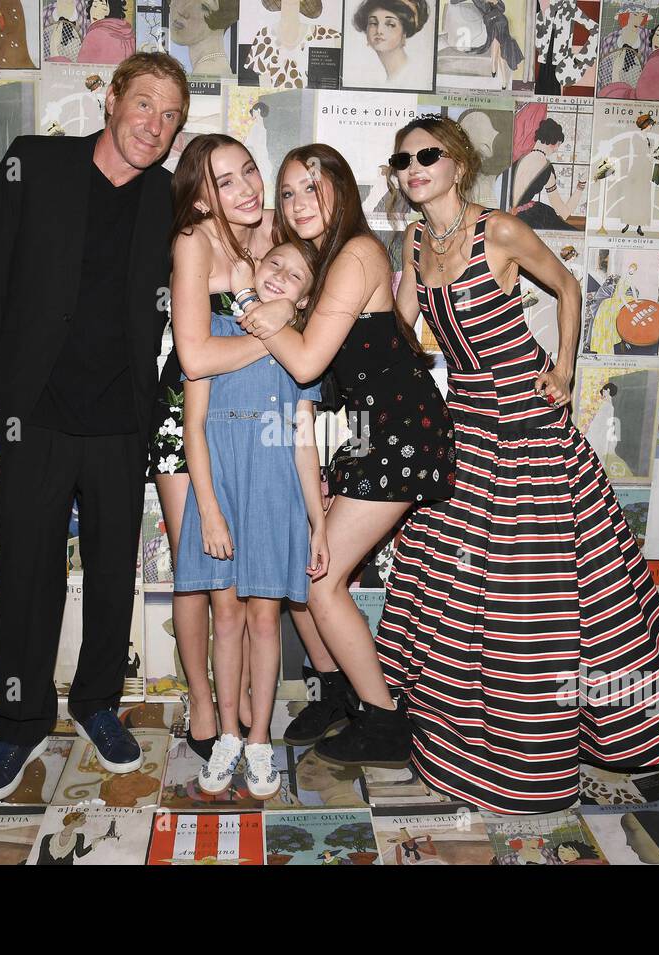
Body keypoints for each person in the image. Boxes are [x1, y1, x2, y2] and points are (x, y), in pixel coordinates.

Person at [371, 115, 659, 813]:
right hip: (463, 421)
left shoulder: (500, 230)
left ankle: (544, 744)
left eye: (427, 154)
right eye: (403, 160)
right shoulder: (415, 239)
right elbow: (401, 319)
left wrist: (563, 368)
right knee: (459, 587)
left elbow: (570, 288)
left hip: (525, 425)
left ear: (457, 164)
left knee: (536, 591)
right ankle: (457, 739)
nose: (414, 168)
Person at [0, 52, 188, 802]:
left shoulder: (169, 198)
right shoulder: (35, 164)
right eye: (145, 103)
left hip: (123, 420)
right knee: (28, 572)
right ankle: (20, 719)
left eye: (170, 117)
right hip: (39, 417)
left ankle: (97, 702)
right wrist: (10, 393)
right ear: (113, 98)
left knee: (112, 572)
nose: (154, 124)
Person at [233, 143, 454, 767]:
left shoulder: (357, 254)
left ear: (344, 191)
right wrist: (282, 305)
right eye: (290, 193)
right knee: (313, 567)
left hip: (400, 436)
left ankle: (385, 723)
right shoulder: (329, 262)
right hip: (369, 436)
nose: (299, 203)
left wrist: (262, 312)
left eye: (313, 187)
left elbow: (304, 361)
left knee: (321, 582)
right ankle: (340, 695)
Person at [175, 237, 324, 800]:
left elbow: (305, 440)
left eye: (296, 277)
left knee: (265, 621)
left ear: (306, 299)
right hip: (223, 492)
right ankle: (229, 734)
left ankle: (260, 737)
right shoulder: (209, 331)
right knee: (227, 618)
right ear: (254, 266)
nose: (281, 275)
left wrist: (318, 521)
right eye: (275, 263)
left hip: (274, 493)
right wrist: (209, 511)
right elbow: (195, 426)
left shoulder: (300, 348)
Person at [156, 134, 279, 760]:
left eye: (249, 170)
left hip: (257, 419)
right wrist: (274, 337)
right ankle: (202, 702)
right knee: (197, 574)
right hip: (188, 419)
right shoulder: (193, 241)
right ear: (201, 197)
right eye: (224, 181)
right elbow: (195, 354)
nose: (246, 187)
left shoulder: (272, 234)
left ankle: (252, 711)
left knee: (254, 577)